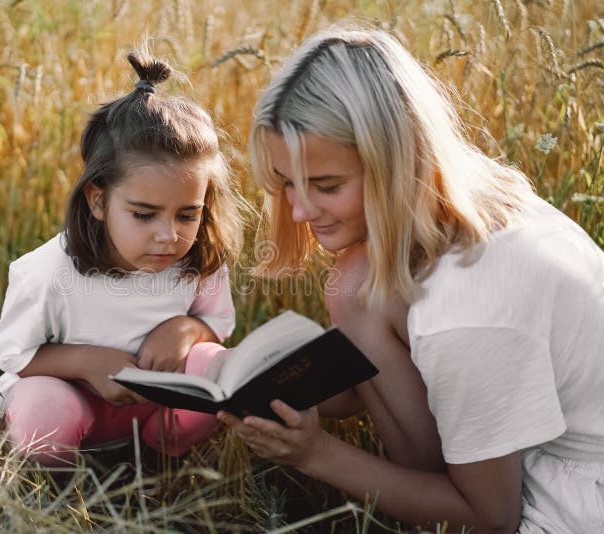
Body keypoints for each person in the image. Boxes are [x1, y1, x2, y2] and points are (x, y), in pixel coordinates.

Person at [219, 25, 604, 533]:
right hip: (533, 446)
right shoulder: (464, 202)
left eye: (327, 185)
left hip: (578, 490)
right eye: (287, 183)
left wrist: (316, 455)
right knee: (354, 283)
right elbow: (393, 376)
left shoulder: (468, 306)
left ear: (396, 163)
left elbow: (490, 519)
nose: (298, 211)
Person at [0, 51, 243, 466]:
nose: (169, 235)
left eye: (188, 214)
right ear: (98, 200)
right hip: (70, 402)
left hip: (151, 410)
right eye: (144, 214)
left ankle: (157, 462)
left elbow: (217, 325)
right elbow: (14, 355)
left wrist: (185, 329)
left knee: (217, 367)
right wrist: (88, 362)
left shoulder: (199, 260)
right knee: (43, 414)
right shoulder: (49, 272)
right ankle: (59, 487)